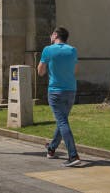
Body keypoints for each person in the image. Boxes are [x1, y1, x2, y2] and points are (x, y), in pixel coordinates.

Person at [38, 26, 81, 167]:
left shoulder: (48, 50)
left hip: (55, 91)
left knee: (62, 122)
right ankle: (51, 148)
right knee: (62, 120)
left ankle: (73, 155)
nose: (50, 36)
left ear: (55, 35)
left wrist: (46, 67)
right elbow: (75, 71)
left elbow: (40, 72)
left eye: (52, 34)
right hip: (71, 90)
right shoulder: (72, 50)